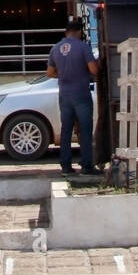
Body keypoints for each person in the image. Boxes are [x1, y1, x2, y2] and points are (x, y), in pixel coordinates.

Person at [47, 19, 100, 175]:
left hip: (64, 95)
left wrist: (62, 74)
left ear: (66, 32)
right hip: (81, 94)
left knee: (66, 130)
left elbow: (49, 73)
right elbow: (94, 70)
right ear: (79, 32)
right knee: (85, 129)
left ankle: (66, 166)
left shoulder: (55, 49)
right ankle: (86, 166)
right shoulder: (83, 47)